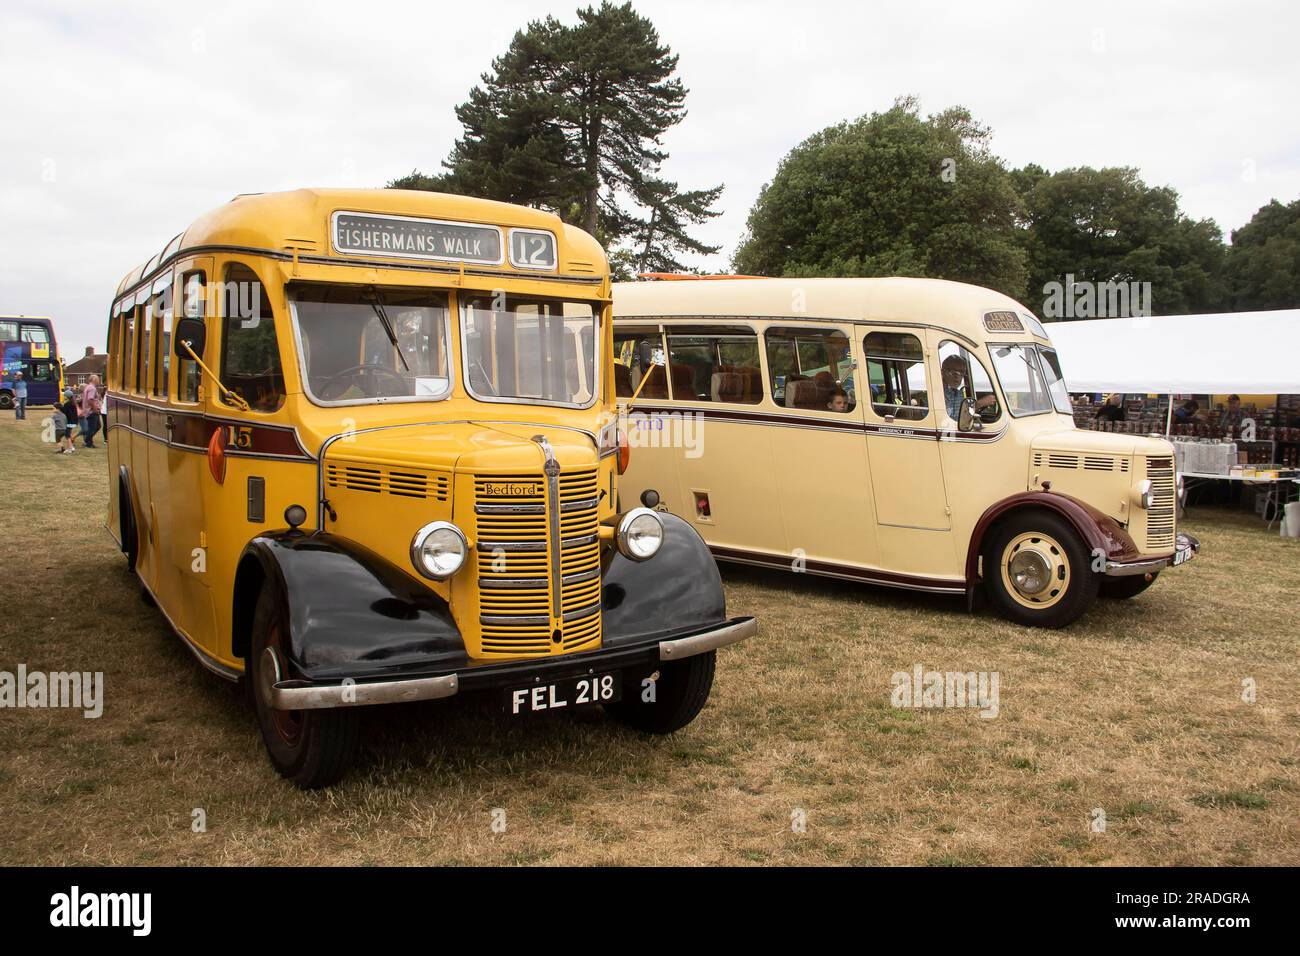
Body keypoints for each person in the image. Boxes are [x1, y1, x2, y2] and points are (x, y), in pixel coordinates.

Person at [941, 355, 995, 420]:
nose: (957, 376)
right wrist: (979, 404)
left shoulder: (958, 394)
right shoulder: (939, 393)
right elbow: (951, 420)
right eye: (954, 372)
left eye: (961, 372)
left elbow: (963, 416)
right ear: (943, 372)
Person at [81, 375, 102, 448]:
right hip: (92, 411)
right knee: (94, 427)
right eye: (98, 379)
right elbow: (90, 399)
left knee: (96, 426)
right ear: (94, 380)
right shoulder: (92, 388)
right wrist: (95, 409)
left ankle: (88, 441)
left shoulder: (87, 387)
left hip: (88, 410)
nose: (99, 381)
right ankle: (88, 441)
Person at [58, 388, 78, 453]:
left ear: (67, 396)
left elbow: (65, 412)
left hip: (69, 421)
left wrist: (60, 407)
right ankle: (71, 447)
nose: (63, 396)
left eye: (64, 395)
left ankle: (70, 448)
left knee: (67, 435)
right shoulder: (72, 403)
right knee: (68, 434)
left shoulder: (67, 404)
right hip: (74, 421)